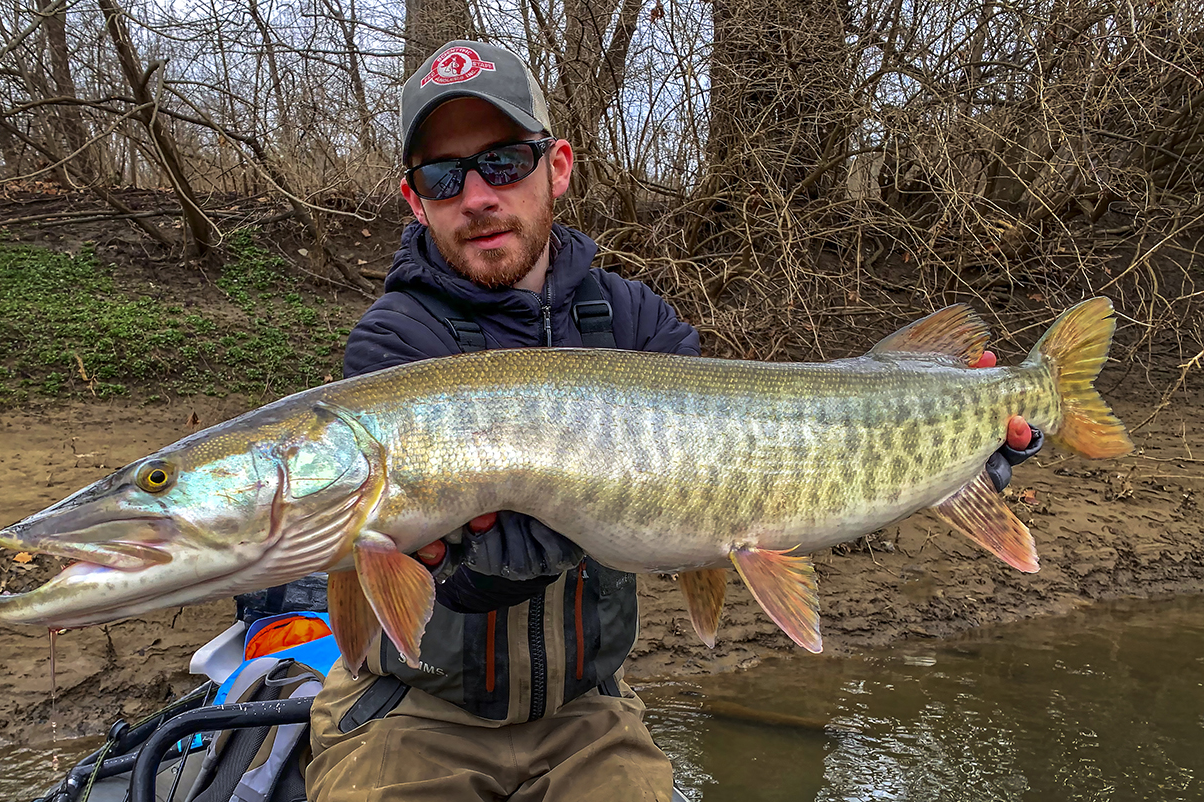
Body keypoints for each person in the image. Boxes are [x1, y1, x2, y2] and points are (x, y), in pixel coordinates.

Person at [300, 40, 1041, 802]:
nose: (478, 195)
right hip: (416, 712)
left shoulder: (633, 316)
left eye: (503, 163)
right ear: (415, 199)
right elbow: (399, 560)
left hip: (585, 712)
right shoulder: (396, 344)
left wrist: (950, 457)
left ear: (556, 168)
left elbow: (727, 469)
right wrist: (474, 576)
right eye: (443, 175)